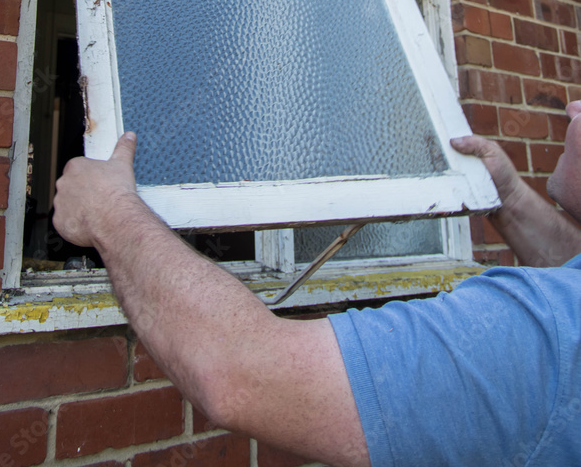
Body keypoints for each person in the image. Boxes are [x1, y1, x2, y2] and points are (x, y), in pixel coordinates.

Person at [53, 102, 581, 467]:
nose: (572, 110)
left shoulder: (545, 335)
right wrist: (507, 197)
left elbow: (246, 372)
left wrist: (110, 213)